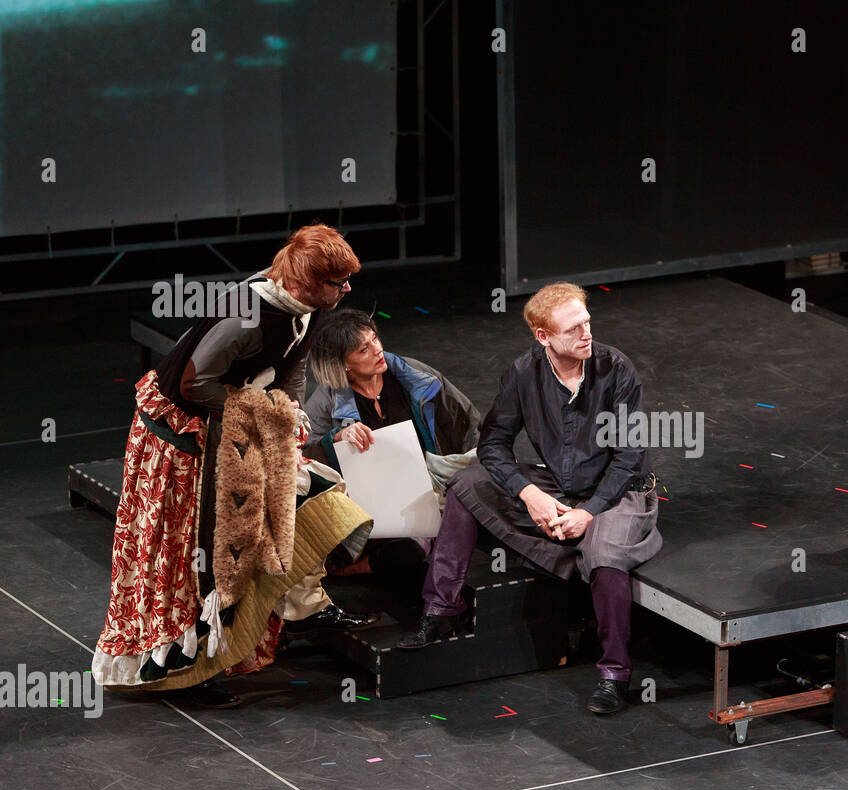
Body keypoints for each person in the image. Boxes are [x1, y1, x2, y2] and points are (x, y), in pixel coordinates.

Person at [94, 224, 375, 707]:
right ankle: (184, 670)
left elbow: (292, 367)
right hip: (185, 439)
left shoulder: (302, 307)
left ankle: (302, 606)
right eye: (338, 282)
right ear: (307, 280)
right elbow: (192, 385)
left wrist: (290, 413)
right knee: (198, 557)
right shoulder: (246, 317)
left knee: (301, 493)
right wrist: (262, 411)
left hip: (230, 425)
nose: (347, 290)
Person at [404, 282, 662, 715]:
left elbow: (629, 458)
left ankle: (614, 674)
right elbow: (493, 445)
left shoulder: (616, 369)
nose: (586, 335)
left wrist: (588, 512)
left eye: (587, 323)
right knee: (467, 484)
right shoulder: (524, 373)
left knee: (604, 555)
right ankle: (442, 607)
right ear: (543, 337)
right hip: (558, 488)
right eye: (573, 329)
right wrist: (531, 495)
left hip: (617, 494)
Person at [304, 308, 482, 588]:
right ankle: (357, 560)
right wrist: (337, 439)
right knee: (401, 553)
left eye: (375, 339)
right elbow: (303, 457)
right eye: (364, 349)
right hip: (365, 501)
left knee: (416, 550)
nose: (377, 350)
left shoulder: (417, 376)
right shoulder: (327, 401)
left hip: (425, 489)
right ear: (344, 365)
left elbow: (467, 423)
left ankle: (363, 565)